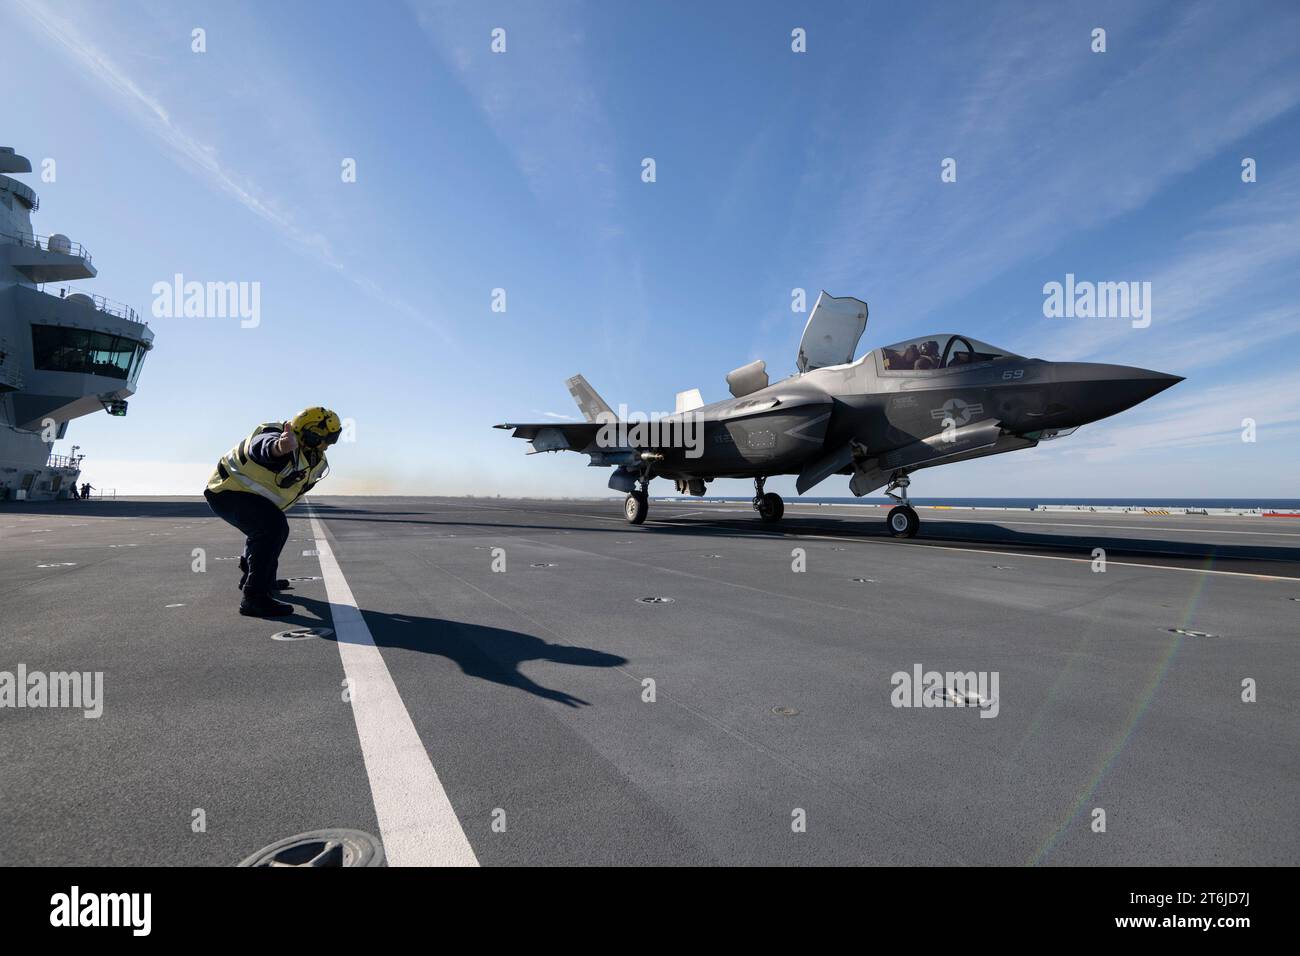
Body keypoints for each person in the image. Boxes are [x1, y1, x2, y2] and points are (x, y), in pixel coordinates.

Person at [204, 407, 342, 617]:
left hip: (249, 497)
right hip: (228, 491)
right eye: (319, 438)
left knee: (270, 528)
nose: (324, 445)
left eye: (331, 440)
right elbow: (262, 448)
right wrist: (280, 447)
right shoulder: (276, 433)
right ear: (306, 432)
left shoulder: (314, 458)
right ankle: (254, 598)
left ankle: (261, 579)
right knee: (272, 527)